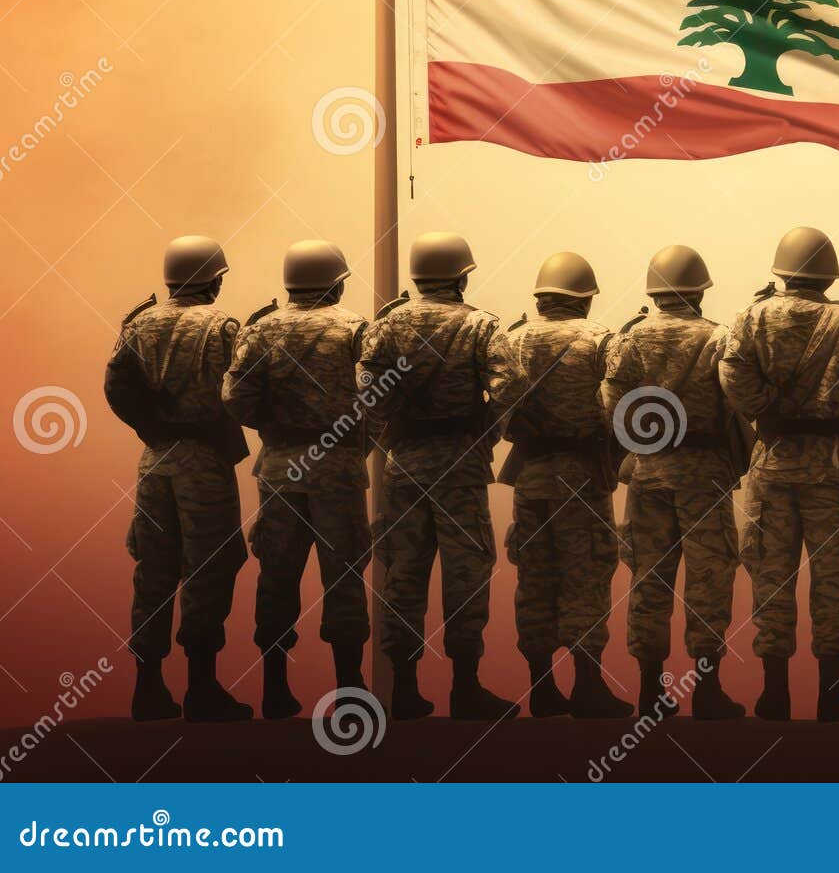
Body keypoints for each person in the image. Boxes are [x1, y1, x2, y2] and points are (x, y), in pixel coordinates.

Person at [719, 227, 839, 720]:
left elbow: (731, 371)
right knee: (834, 580)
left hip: (773, 465)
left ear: (781, 271)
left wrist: (767, 413)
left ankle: (774, 693)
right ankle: (831, 694)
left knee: (770, 576)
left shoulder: (753, 316)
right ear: (829, 274)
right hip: (832, 468)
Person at [359, 232, 516, 720]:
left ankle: (404, 689)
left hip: (404, 464)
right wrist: (487, 433)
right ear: (462, 274)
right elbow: (510, 387)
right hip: (459, 464)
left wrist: (391, 435)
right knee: (465, 574)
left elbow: (366, 391)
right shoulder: (481, 327)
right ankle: (465, 689)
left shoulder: (387, 327)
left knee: (403, 574)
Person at [104, 235, 252, 722]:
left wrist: (153, 425)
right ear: (213, 279)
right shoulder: (223, 326)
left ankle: (147, 689)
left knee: (154, 570)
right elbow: (241, 388)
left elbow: (116, 384)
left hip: (156, 461)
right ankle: (202, 688)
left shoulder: (139, 324)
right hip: (204, 462)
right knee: (208, 570)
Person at [222, 240, 372, 718]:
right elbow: (381, 395)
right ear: (338, 281)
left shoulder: (260, 331)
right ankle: (350, 691)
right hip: (339, 471)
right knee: (344, 578)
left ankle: (274, 688)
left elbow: (235, 397)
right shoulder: (355, 330)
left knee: (277, 578)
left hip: (281, 469)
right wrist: (356, 441)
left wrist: (274, 426)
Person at [602, 245, 745, 720]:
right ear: (699, 291)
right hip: (704, 476)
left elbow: (611, 400)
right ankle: (707, 691)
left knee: (649, 581)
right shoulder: (720, 338)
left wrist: (640, 439)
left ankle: (651, 692)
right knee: (709, 582)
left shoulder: (631, 339)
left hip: (648, 474)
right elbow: (738, 398)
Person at [488, 251, 631, 718]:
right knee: (586, 576)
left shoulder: (512, 338)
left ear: (542, 296)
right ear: (585, 300)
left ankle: (541, 688)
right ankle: (588, 686)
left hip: (531, 477)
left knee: (535, 578)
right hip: (582, 478)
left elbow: (496, 402)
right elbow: (619, 410)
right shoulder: (601, 341)